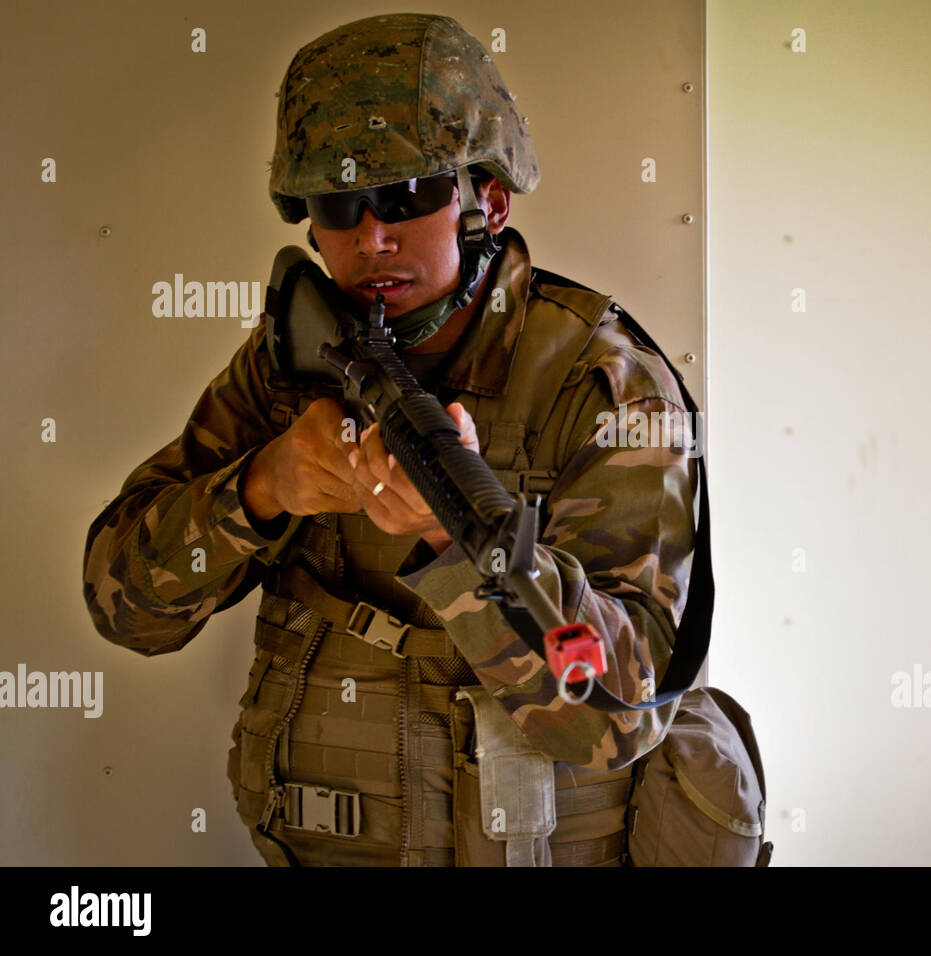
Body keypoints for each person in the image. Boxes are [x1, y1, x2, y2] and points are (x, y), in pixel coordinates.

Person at [81, 12, 699, 867]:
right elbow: (124, 608)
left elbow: (611, 714)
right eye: (340, 204)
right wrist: (261, 489)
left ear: (488, 201)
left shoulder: (602, 385)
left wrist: (460, 547)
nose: (372, 238)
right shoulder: (289, 366)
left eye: (408, 197)